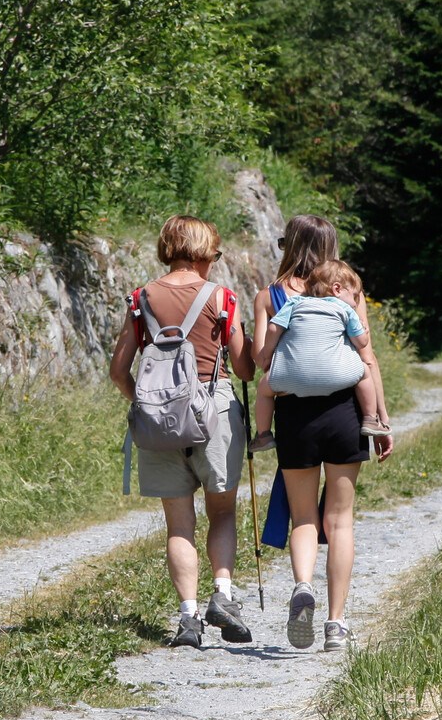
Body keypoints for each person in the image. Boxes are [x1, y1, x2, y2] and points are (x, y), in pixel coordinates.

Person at [108, 215, 256, 650]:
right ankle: (223, 595)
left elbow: (118, 371)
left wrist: (147, 403)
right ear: (203, 251)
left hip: (159, 420)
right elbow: (245, 368)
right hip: (215, 411)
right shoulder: (221, 297)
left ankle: (188, 617)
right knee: (222, 512)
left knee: (178, 524)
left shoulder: (141, 299)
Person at [250, 216, 393, 653]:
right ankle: (335, 624)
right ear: (331, 248)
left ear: (288, 245)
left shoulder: (270, 297)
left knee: (304, 517)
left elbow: (259, 359)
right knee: (340, 519)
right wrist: (380, 418)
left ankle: (302, 586)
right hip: (344, 412)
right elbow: (366, 357)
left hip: (294, 416)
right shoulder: (347, 292)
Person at [249, 260, 386, 453]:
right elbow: (362, 343)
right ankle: (370, 418)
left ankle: (263, 435)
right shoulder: (346, 309)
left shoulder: (294, 303)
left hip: (291, 378)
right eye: (355, 295)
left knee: (264, 388)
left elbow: (273, 328)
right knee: (364, 372)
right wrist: (363, 331)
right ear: (337, 289)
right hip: (337, 378)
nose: (356, 302)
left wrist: (266, 354)